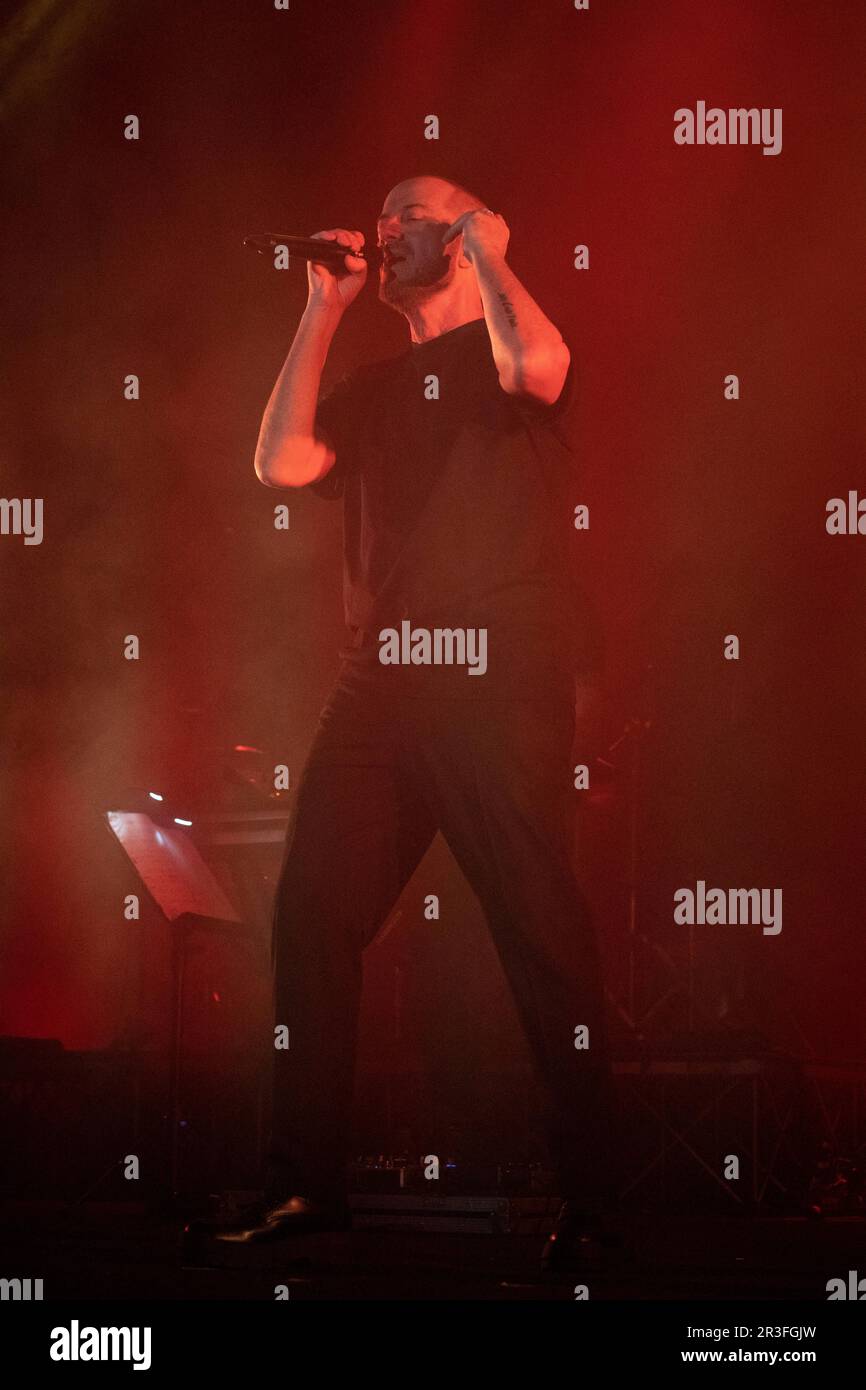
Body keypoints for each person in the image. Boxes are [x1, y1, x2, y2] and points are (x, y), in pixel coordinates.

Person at [215, 175, 619, 1270]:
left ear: (470, 223)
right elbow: (279, 461)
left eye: (412, 210)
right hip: (380, 679)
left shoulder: (506, 345)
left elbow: (535, 367)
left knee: (537, 927)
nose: (386, 227)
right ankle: (302, 1187)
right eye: (381, 215)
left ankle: (596, 1197)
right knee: (308, 914)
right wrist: (321, 308)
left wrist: (491, 251)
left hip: (496, 666)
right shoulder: (376, 383)